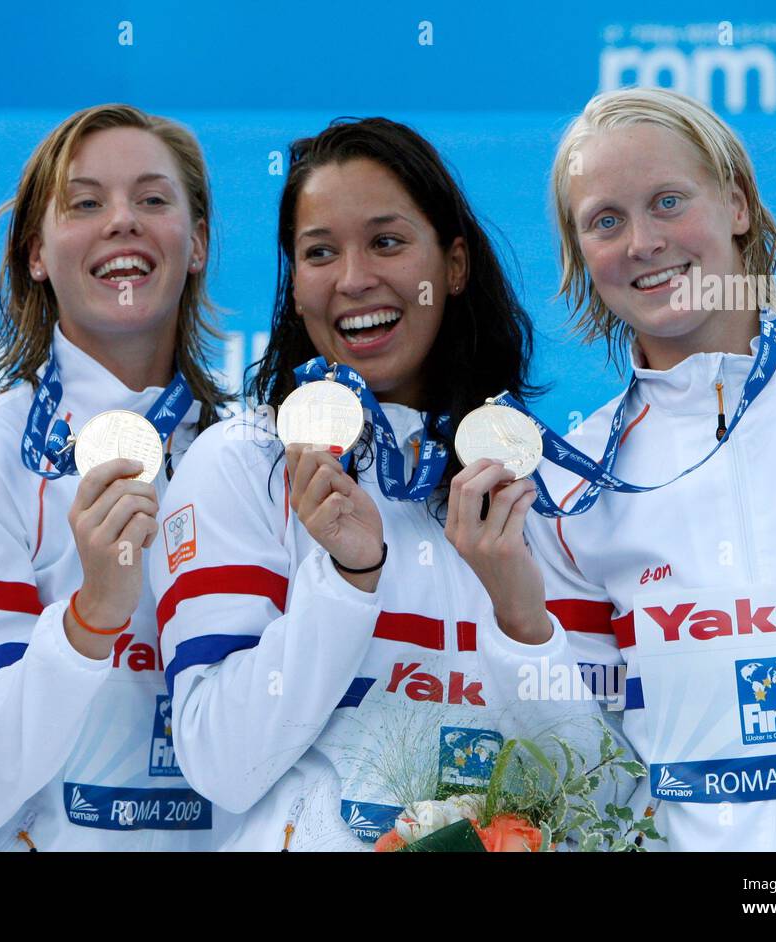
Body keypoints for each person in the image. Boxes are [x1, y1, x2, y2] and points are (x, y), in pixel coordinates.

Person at [149, 117, 604, 851]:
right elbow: (221, 763)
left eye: (387, 242)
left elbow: (599, 795)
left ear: (453, 266)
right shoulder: (242, 463)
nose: (354, 279)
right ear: (294, 287)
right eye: (320, 252)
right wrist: (345, 580)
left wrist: (523, 622)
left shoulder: (540, 480)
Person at [525, 86, 776, 850]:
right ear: (583, 257)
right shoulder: (572, 489)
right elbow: (588, 768)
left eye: (668, 201)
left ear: (737, 204)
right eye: (605, 221)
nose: (643, 241)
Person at [0, 104, 237, 849]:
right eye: (85, 204)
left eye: (153, 199)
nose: (123, 221)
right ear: (35, 254)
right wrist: (91, 620)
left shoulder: (262, 455)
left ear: (199, 242)